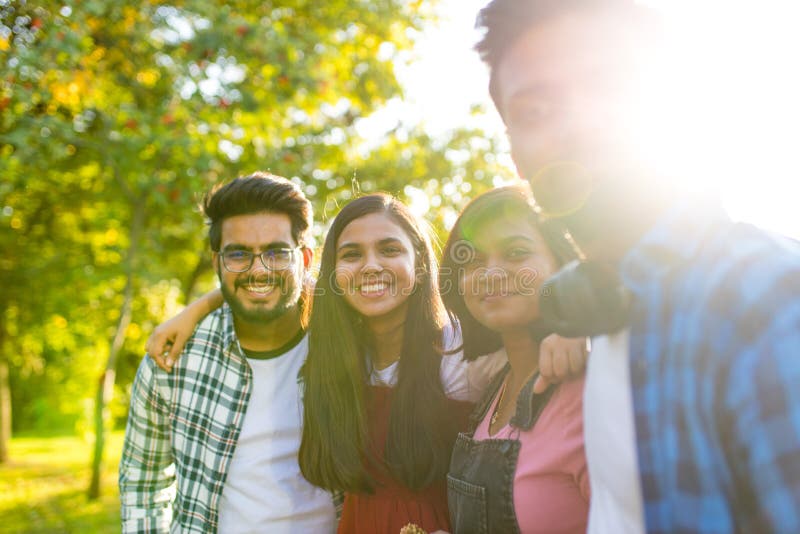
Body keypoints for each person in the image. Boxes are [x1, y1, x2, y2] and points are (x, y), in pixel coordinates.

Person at [475, 0, 800, 532]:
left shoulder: (767, 304)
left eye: (609, 86)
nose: (577, 125)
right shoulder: (608, 313)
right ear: (517, 158)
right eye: (535, 112)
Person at [146, 193, 587, 534]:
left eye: (390, 249)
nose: (370, 266)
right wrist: (199, 307)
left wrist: (573, 324)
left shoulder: (456, 349)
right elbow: (273, 281)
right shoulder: (335, 344)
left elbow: (520, 332)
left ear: (420, 261)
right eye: (351, 254)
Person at [119, 173, 337, 533]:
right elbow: (143, 481)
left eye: (277, 252)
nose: (259, 269)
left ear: (306, 258)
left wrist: (202, 303)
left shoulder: (349, 342)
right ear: (217, 261)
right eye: (238, 254)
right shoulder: (173, 359)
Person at [440, 185, 589, 533]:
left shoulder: (588, 389)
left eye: (517, 252)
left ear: (561, 262)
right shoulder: (489, 387)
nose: (491, 273)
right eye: (474, 261)